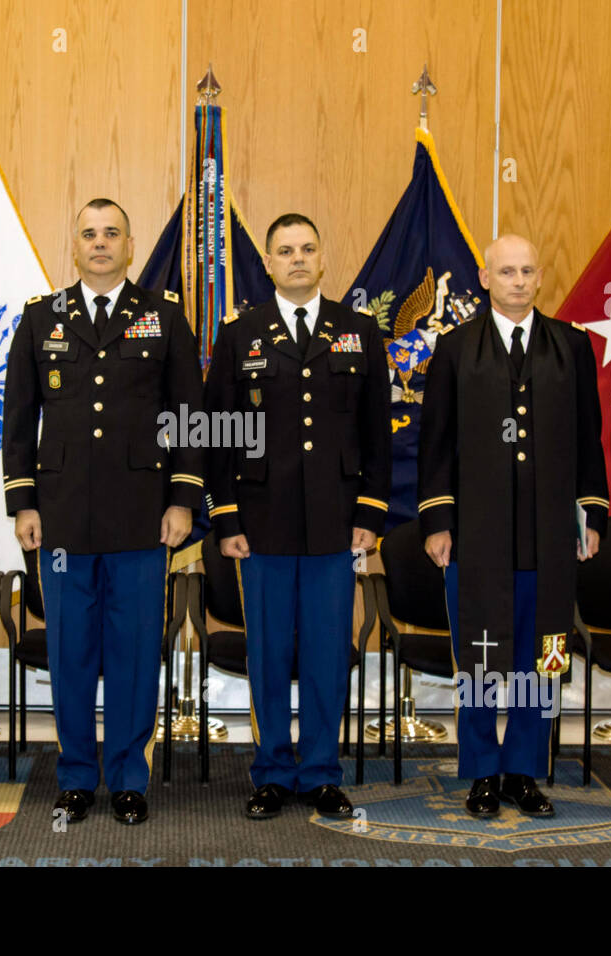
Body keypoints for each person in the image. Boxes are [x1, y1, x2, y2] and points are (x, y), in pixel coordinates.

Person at [2, 198, 203, 825]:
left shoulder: (164, 318)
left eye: (111, 233)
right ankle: (76, 777)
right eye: (88, 233)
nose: (99, 243)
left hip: (143, 514)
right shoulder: (41, 319)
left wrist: (183, 499)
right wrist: (22, 502)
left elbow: (189, 418)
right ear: (75, 244)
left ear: (131, 244)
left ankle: (128, 778)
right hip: (60, 518)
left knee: (135, 651)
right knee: (69, 652)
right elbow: (17, 420)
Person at [204, 213, 391, 820]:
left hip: (336, 524)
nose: (298, 259)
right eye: (285, 251)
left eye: (308, 248)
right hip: (261, 525)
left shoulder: (359, 331)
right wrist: (227, 518)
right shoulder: (240, 335)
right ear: (267, 262)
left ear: (322, 256)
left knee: (327, 651)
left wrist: (370, 512)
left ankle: (320, 771)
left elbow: (376, 437)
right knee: (266, 653)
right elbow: (217, 433)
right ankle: (271, 772)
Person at [418, 234, 607, 818]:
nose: (518, 281)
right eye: (506, 271)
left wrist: (592, 513)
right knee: (479, 658)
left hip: (550, 536)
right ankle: (481, 771)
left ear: (541, 277)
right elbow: (436, 445)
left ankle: (524, 770)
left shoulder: (571, 346)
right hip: (477, 537)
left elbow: (587, 438)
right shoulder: (454, 349)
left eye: (527, 271)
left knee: (543, 655)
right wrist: (437, 521)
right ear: (484, 277)